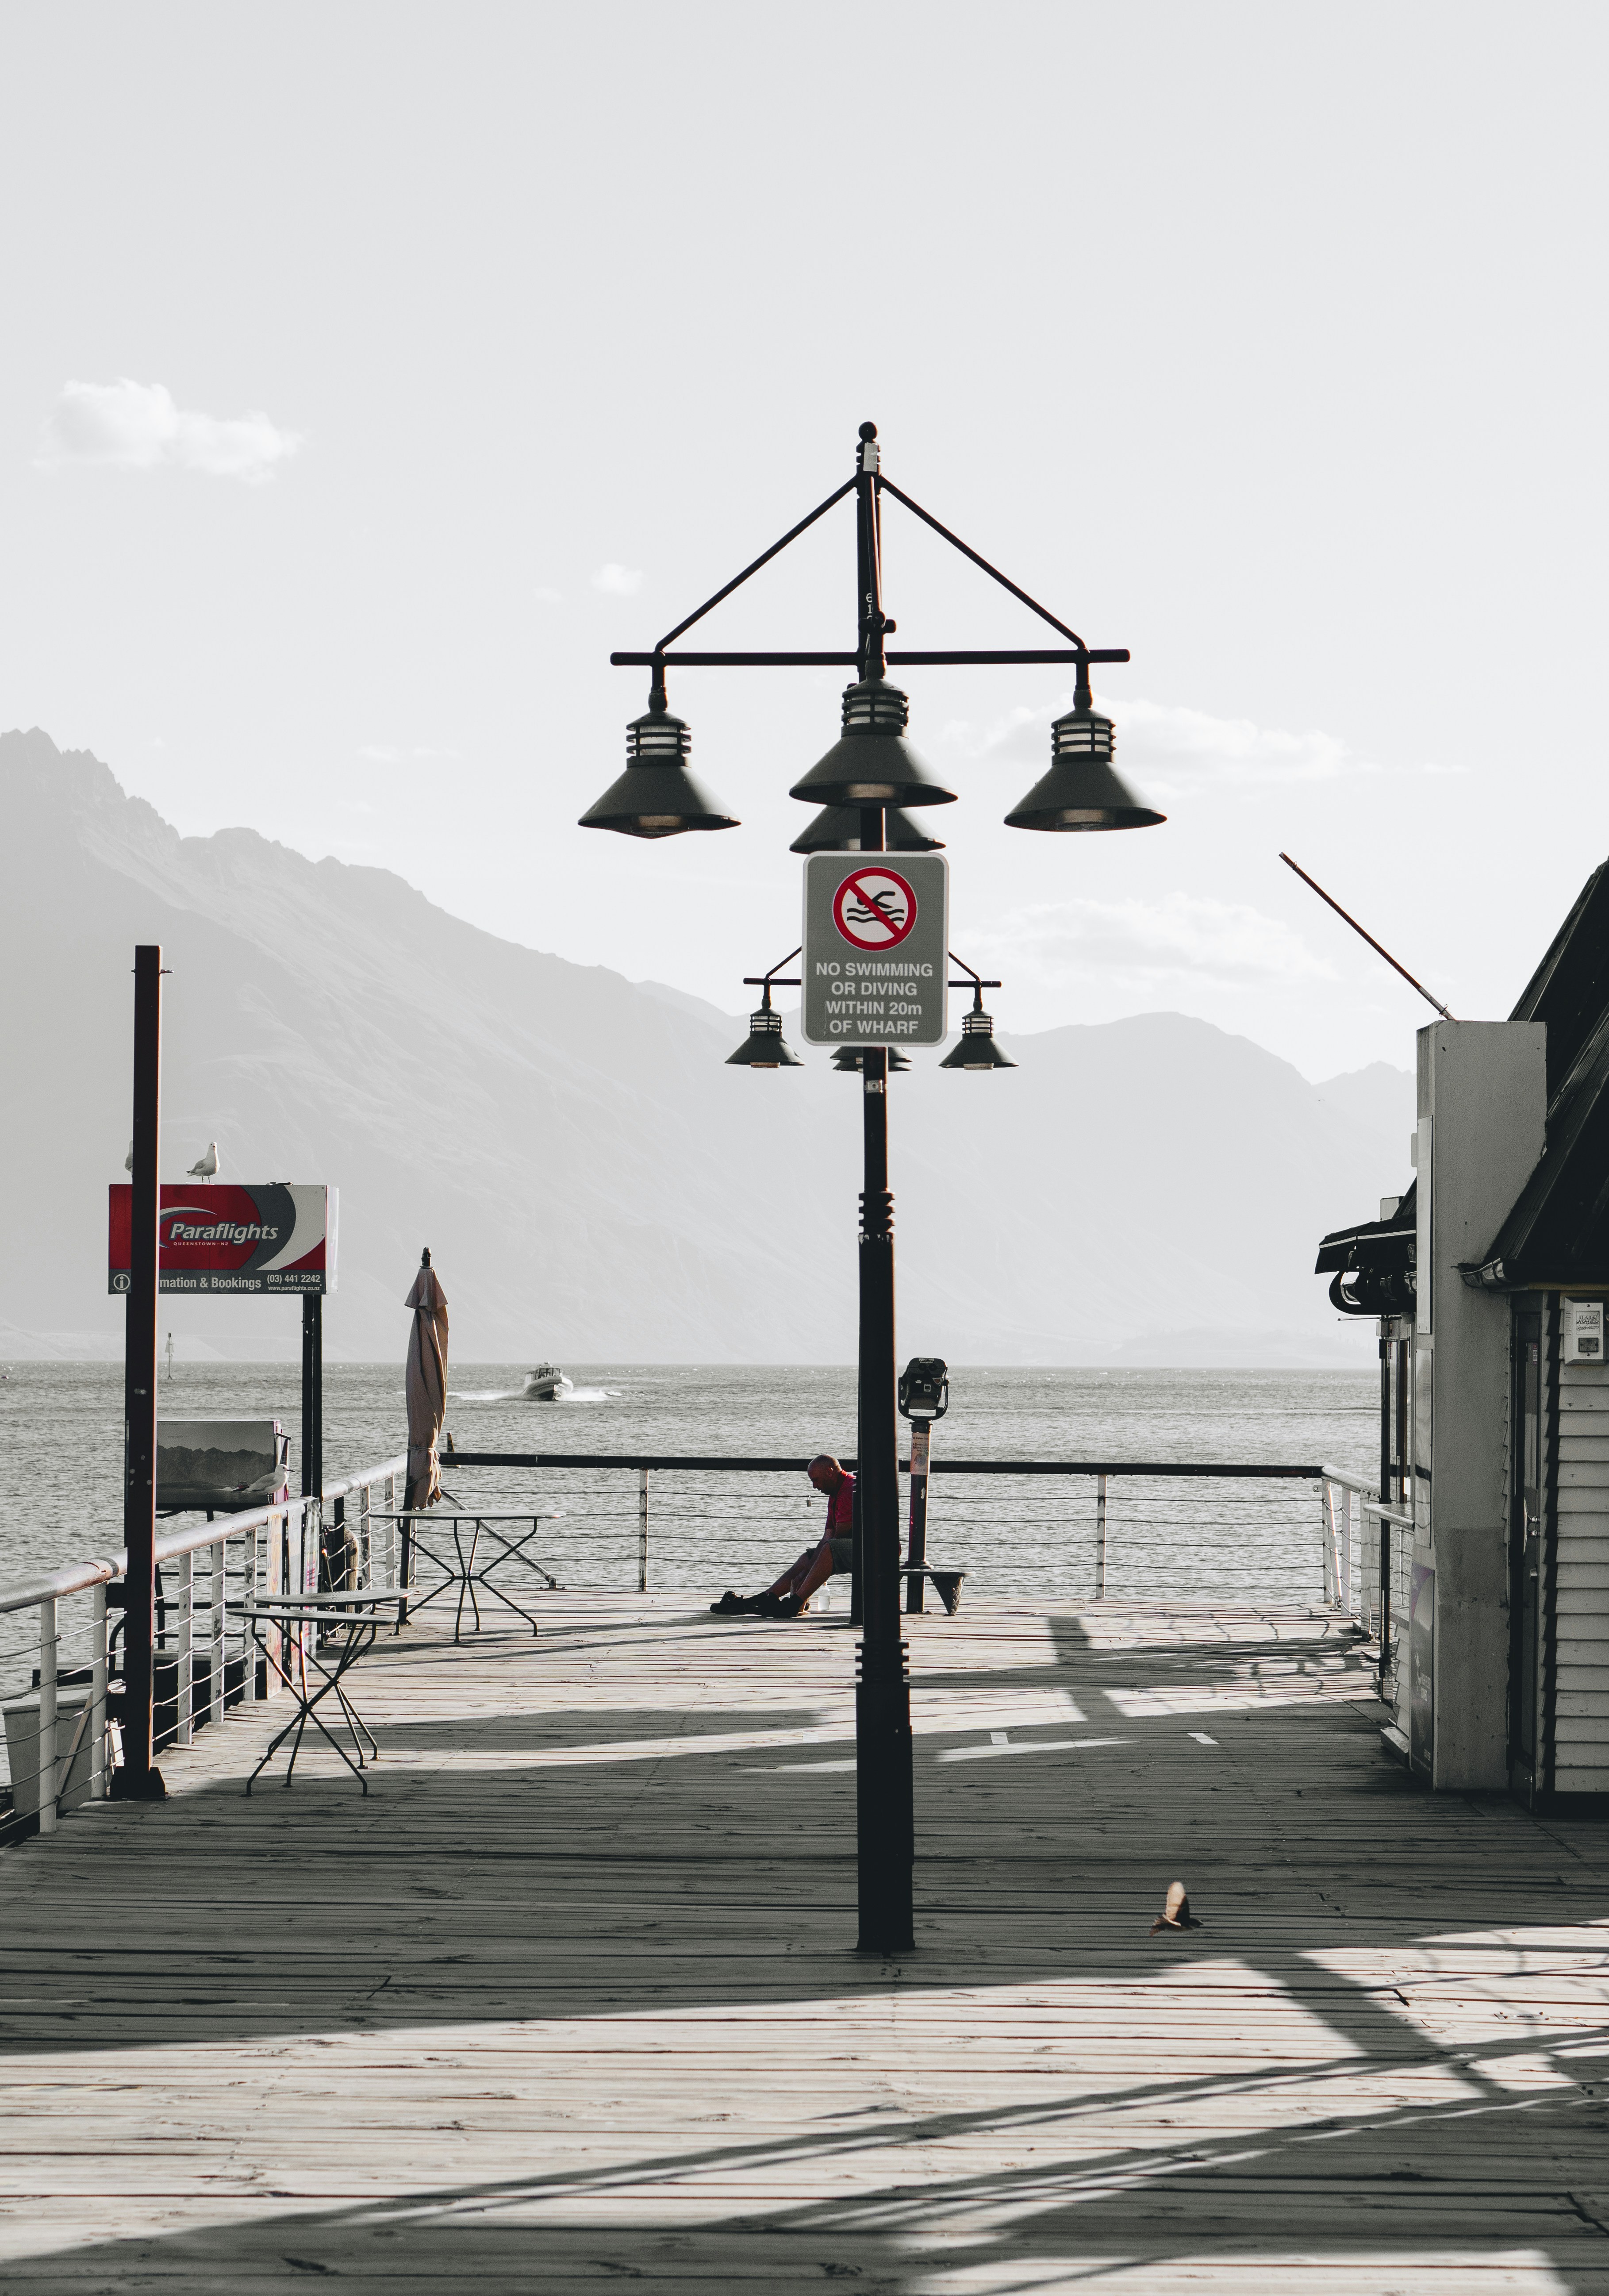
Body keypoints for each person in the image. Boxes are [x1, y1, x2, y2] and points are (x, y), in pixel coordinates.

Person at [710, 1454, 855, 1618]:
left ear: (830, 1472)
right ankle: (765, 1598)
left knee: (829, 1549)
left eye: (816, 1480)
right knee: (808, 1557)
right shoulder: (835, 1493)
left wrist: (804, 1576)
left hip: (870, 1552)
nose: (815, 1486)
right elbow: (827, 1537)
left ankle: (794, 1604)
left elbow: (837, 1539)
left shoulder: (849, 1489)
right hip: (852, 1548)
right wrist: (806, 1568)